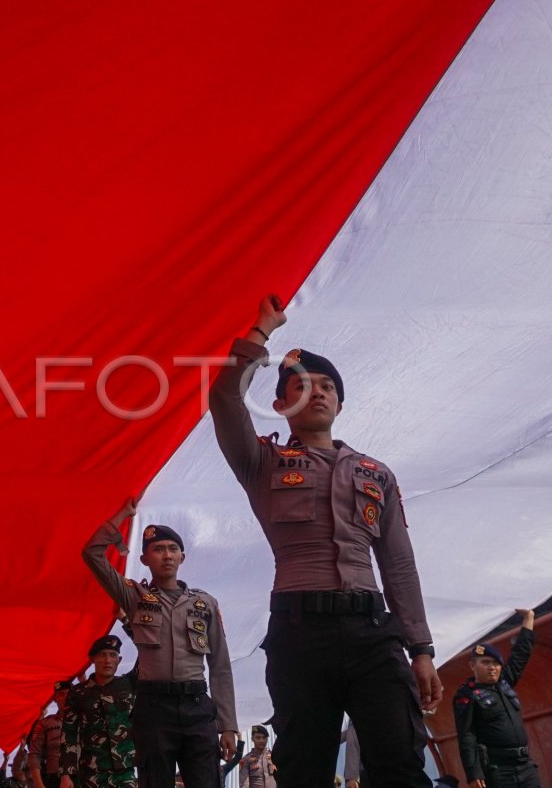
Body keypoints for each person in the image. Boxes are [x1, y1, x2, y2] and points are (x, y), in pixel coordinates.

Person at [209, 295, 441, 788]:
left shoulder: (376, 472)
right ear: (279, 405)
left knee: (400, 759)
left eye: (327, 386)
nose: (317, 392)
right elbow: (225, 399)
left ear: (340, 401)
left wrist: (421, 649)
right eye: (301, 386)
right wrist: (261, 333)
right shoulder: (262, 463)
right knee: (304, 767)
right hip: (299, 632)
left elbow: (399, 564)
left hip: (374, 632)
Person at [83, 501, 238, 787]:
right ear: (144, 559)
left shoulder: (204, 603)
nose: (166, 555)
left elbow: (220, 666)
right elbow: (92, 554)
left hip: (197, 709)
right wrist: (120, 517)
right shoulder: (135, 597)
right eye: (158, 549)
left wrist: (228, 725)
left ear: (182, 557)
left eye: (172, 549)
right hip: (154, 710)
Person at [453, 609, 540, 788]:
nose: (492, 668)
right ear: (472, 666)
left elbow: (520, 654)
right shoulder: (466, 695)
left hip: (525, 766)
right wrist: (473, 772)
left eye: (496, 663)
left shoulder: (504, 682)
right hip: (498, 770)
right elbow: (466, 735)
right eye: (485, 662)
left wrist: (529, 618)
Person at [57, 635, 137, 788]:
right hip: (92, 773)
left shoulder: (128, 684)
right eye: (102, 655)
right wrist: (66, 774)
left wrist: (126, 621)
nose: (107, 660)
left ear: (119, 660)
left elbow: (147, 651)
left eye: (113, 655)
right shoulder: (78, 693)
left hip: (125, 771)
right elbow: (69, 734)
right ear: (92, 659)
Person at [31, 682, 72, 788]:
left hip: (84, 776)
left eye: (68, 694)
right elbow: (34, 754)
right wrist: (39, 785)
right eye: (61, 694)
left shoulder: (86, 719)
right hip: (54, 780)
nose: (65, 697)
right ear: (54, 698)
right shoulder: (45, 723)